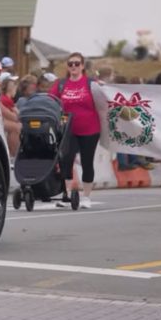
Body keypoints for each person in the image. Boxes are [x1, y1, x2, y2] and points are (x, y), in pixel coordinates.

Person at [49, 52, 101, 208]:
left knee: (87, 161)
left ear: (82, 66)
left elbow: (105, 100)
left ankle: (86, 197)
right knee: (66, 161)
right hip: (68, 129)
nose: (73, 66)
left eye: (77, 63)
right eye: (70, 64)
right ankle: (67, 195)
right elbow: (50, 100)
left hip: (90, 129)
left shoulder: (91, 83)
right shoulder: (60, 84)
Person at [0, 77, 21, 157]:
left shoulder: (4, 98)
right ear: (11, 89)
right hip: (2, 121)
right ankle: (13, 153)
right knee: (17, 127)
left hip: (3, 119)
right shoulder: (6, 99)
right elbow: (17, 114)